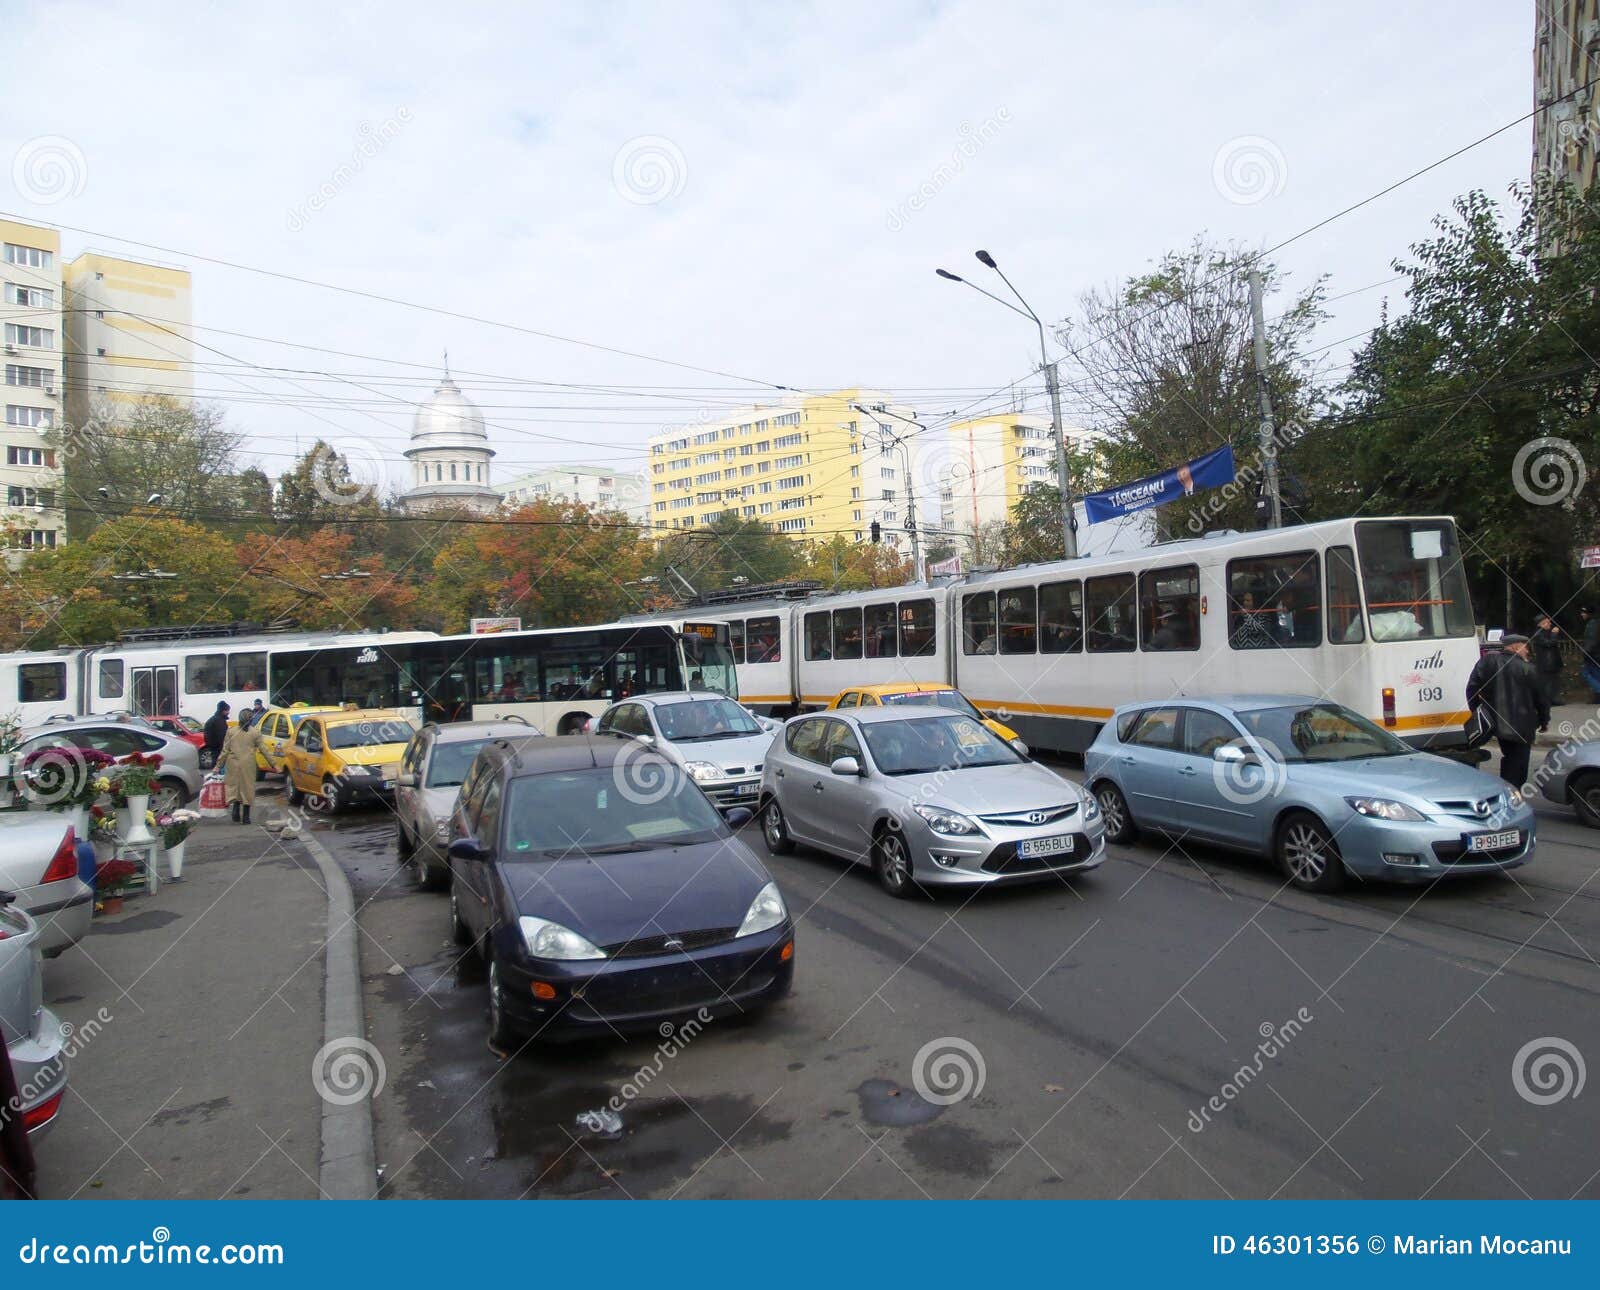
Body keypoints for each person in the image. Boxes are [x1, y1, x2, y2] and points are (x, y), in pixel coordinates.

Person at [1466, 633, 1550, 789]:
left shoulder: (1487, 662)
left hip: (1497, 723)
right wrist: (1544, 721)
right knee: (1519, 763)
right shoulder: (1528, 668)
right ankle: (1511, 793)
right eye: (1525, 647)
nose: (1528, 651)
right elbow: (1542, 699)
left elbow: (1472, 688)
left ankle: (1507, 790)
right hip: (1523, 725)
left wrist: (1477, 711)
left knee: (1509, 757)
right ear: (1516, 647)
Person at [222, 709, 265, 824]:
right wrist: (274, 765)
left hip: (233, 764)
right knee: (248, 789)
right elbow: (263, 749)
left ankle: (235, 813)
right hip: (248, 764)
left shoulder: (231, 732)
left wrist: (218, 766)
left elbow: (225, 751)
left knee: (235, 787)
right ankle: (246, 817)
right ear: (251, 720)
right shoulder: (255, 732)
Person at [1529, 614, 1565, 708]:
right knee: (1547, 682)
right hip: (1546, 662)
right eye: (1547, 622)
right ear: (1541, 624)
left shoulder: (1546, 632)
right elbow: (1549, 644)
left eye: (1549, 622)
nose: (1549, 624)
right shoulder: (1538, 634)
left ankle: (1554, 699)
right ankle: (1547, 700)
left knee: (1554, 681)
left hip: (1552, 661)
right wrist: (1554, 634)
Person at [1581, 606, 1600, 702]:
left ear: (1589, 614)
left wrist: (1585, 652)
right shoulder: (1595, 623)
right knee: (1596, 675)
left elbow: (1592, 641)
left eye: (1584, 612)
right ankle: (1598, 698)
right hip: (1596, 654)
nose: (1582, 614)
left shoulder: (1592, 624)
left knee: (1585, 673)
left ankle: (1599, 691)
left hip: (1593, 654)